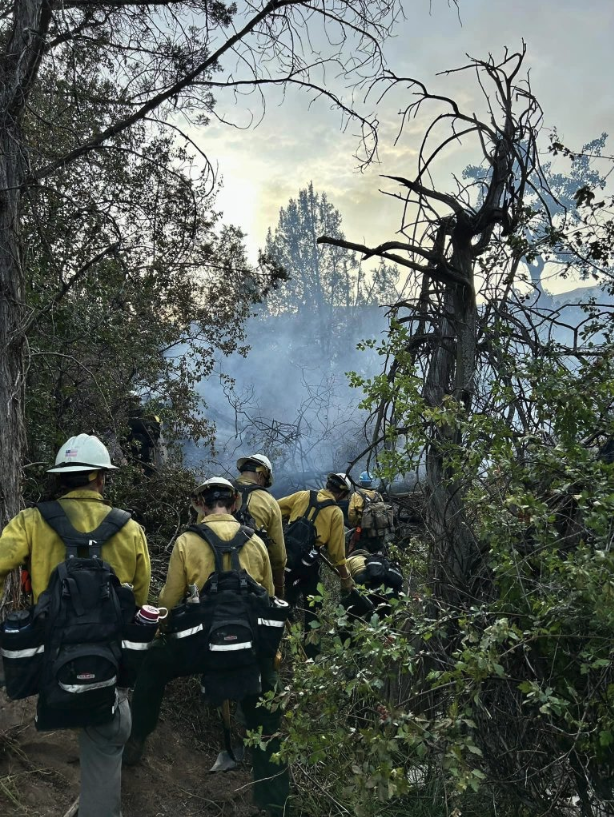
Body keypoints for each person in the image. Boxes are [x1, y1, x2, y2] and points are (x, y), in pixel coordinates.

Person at [0, 433, 151, 817]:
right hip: (107, 662)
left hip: (49, 660)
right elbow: (141, 602)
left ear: (61, 477)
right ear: (100, 478)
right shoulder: (129, 529)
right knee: (108, 730)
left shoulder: (31, 521)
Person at [125, 477, 289, 817]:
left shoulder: (187, 541)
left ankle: (136, 740)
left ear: (200, 505)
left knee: (153, 665)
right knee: (267, 716)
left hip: (200, 647)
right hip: (248, 649)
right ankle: (274, 804)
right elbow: (270, 598)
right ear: (233, 505)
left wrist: (163, 634)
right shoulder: (256, 543)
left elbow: (168, 601)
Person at [278, 473, 354, 657]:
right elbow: (337, 554)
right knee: (314, 605)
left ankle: (284, 645)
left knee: (283, 601)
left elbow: (274, 508)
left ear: (327, 485)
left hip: (286, 561)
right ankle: (311, 652)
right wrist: (346, 579)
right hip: (309, 565)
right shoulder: (335, 513)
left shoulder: (302, 495)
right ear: (343, 495)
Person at [234, 454, 287, 598]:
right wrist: (279, 588)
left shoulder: (216, 493)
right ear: (260, 474)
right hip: (252, 581)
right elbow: (278, 557)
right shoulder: (269, 502)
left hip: (211, 578)